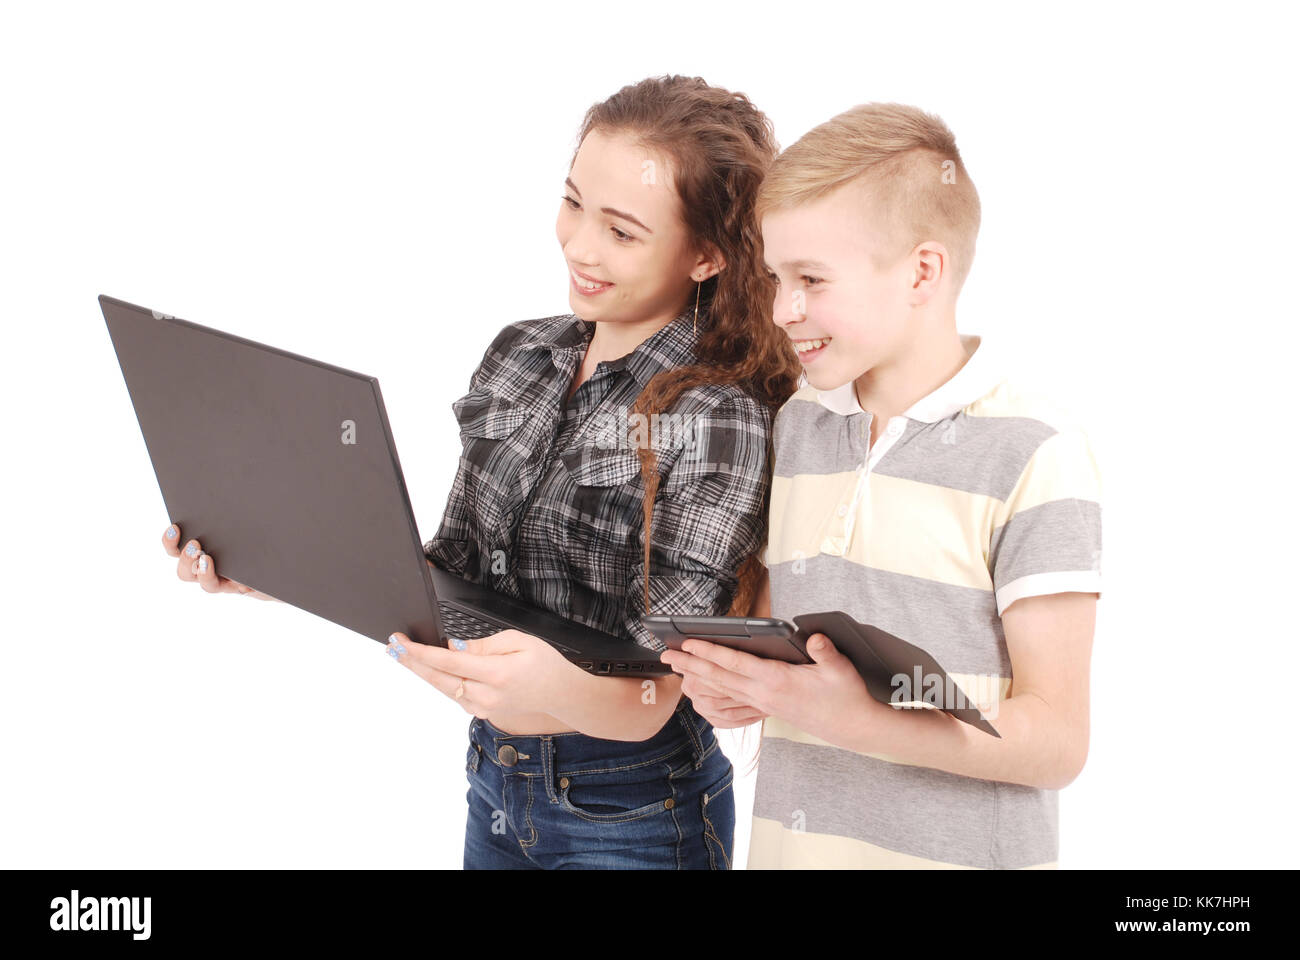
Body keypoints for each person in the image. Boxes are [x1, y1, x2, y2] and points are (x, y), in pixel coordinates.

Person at [163, 75, 800, 869]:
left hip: (633, 806)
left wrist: (551, 689)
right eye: (573, 203)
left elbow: (659, 692)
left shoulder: (718, 415)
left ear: (707, 255)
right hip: (495, 782)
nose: (578, 246)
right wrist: (283, 557)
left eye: (622, 231)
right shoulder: (521, 353)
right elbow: (452, 570)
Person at [663, 102, 1103, 869]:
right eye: (774, 277)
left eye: (810, 279)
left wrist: (858, 722)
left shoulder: (1034, 450)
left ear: (922, 272)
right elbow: (788, 644)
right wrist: (741, 686)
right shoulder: (800, 424)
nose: (781, 309)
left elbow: (1058, 743)